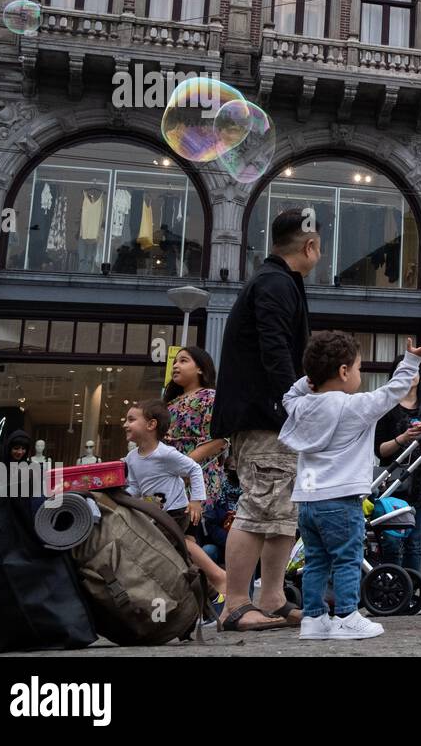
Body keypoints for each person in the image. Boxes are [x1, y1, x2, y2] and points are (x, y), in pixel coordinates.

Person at [280, 332, 421, 640]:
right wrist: (412, 360)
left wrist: (308, 379)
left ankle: (313, 619)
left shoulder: (301, 406)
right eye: (359, 368)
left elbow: (288, 395)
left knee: (316, 561)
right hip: (342, 499)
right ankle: (347, 616)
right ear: (343, 371)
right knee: (347, 558)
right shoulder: (354, 406)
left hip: (308, 502)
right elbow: (394, 391)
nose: (360, 375)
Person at [212, 208, 318, 632]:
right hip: (266, 418)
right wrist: (296, 402)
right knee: (258, 508)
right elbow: (275, 349)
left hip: (273, 418)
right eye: (318, 248)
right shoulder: (275, 283)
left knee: (281, 512)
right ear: (309, 246)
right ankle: (235, 603)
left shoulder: (276, 280)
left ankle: (272, 598)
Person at [163, 345, 228, 600]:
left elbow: (222, 438)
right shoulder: (169, 402)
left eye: (184, 360)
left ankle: (215, 582)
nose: (176, 366)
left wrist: (186, 463)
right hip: (169, 479)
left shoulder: (210, 397)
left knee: (186, 534)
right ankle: (201, 591)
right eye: (175, 362)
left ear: (201, 368)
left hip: (198, 479)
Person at [373, 370, 421, 573]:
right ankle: (390, 592)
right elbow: (379, 450)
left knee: (414, 543)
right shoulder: (387, 409)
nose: (411, 375)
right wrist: (403, 438)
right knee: (390, 541)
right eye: (404, 371)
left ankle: (411, 595)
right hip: (391, 487)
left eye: (414, 371)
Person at [123, 400, 206, 535]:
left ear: (151, 424)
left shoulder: (165, 454)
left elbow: (194, 469)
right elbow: (135, 487)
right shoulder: (131, 458)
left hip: (176, 513)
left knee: (156, 546)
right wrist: (122, 498)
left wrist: (196, 501)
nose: (125, 424)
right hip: (155, 514)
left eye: (131, 420)